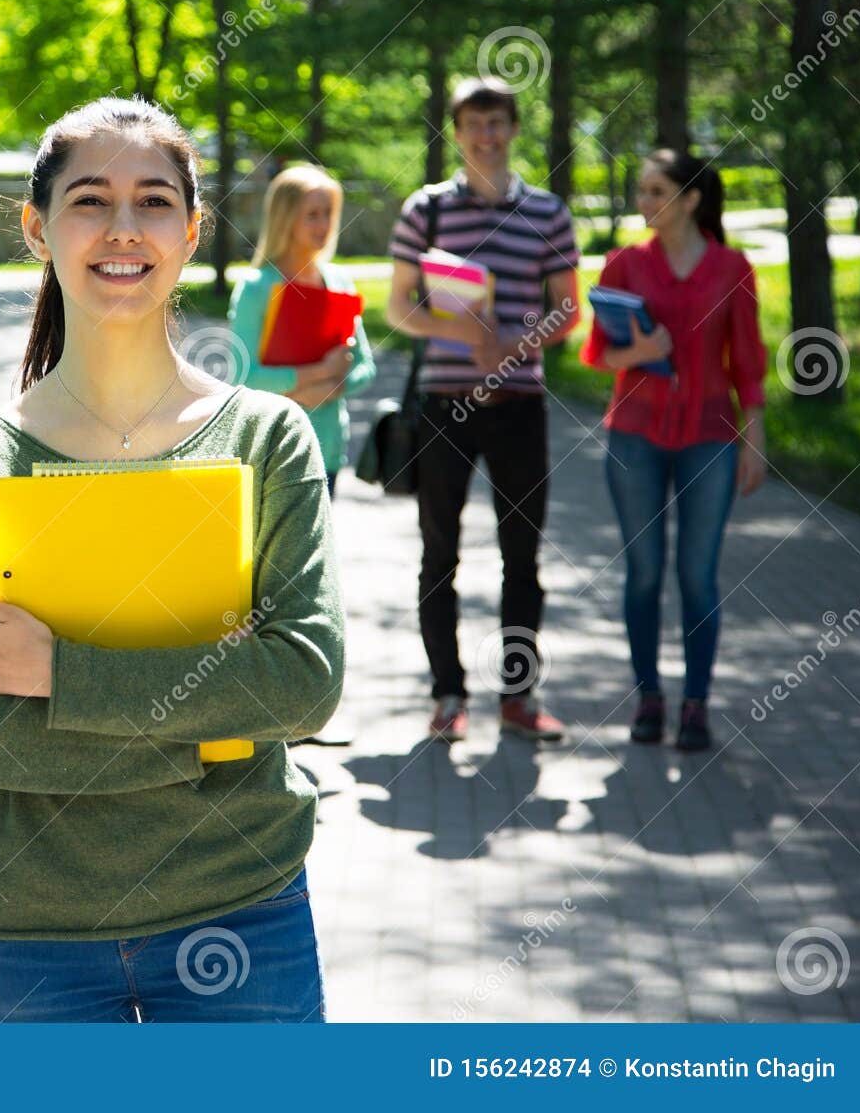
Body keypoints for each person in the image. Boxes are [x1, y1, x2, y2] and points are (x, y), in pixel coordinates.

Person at [0, 97, 344, 1023]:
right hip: (24, 933)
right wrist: (202, 743)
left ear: (190, 231)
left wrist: (61, 675)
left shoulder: (268, 438)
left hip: (240, 910)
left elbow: (301, 682)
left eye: (152, 202)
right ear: (38, 226)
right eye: (90, 199)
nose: (122, 229)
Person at [385, 75, 581, 745]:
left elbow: (568, 307)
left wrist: (515, 341)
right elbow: (398, 305)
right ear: (457, 132)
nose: (486, 136)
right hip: (445, 405)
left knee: (520, 556)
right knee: (439, 553)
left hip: (520, 403)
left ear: (513, 128)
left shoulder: (549, 211)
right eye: (474, 124)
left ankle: (519, 697)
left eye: (497, 123)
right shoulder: (427, 210)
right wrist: (465, 331)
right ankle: (448, 695)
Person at [581, 149, 767, 752]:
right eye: (640, 190)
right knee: (643, 574)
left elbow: (746, 358)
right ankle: (649, 698)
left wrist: (754, 433)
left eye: (655, 190)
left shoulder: (731, 267)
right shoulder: (623, 265)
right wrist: (637, 354)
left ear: (690, 199)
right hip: (635, 432)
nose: (643, 202)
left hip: (710, 436)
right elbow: (594, 354)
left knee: (697, 576)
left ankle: (695, 706)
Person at [228, 165, 378, 498]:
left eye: (328, 213)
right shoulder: (257, 288)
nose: (323, 225)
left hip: (328, 451)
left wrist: (332, 387)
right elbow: (243, 376)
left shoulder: (340, 282)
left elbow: (365, 367)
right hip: (273, 451)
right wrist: (320, 374)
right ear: (285, 218)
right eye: (312, 215)